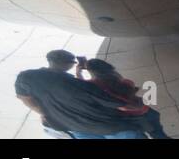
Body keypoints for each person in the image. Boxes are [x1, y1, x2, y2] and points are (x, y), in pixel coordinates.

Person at [15, 50, 145, 139]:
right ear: (70, 64)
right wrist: (136, 105)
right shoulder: (78, 85)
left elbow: (24, 98)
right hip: (111, 127)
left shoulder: (27, 77)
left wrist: (44, 112)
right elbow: (118, 104)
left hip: (77, 130)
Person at [79, 59, 171, 138]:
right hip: (145, 112)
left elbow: (81, 84)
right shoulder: (127, 82)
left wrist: (78, 72)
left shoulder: (93, 86)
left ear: (91, 71)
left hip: (130, 119)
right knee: (159, 134)